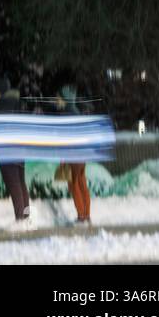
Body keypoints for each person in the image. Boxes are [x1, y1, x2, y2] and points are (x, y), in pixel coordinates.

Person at [0, 76, 30, 222]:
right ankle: (25, 216)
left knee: (14, 184)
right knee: (20, 182)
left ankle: (20, 218)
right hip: (20, 148)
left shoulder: (2, 106)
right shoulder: (17, 102)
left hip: (7, 150)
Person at [54, 84, 91, 225]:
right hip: (81, 154)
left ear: (65, 99)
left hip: (73, 154)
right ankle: (86, 215)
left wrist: (63, 158)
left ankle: (82, 216)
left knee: (74, 185)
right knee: (82, 184)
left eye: (58, 98)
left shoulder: (67, 114)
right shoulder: (75, 111)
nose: (57, 101)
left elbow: (66, 138)